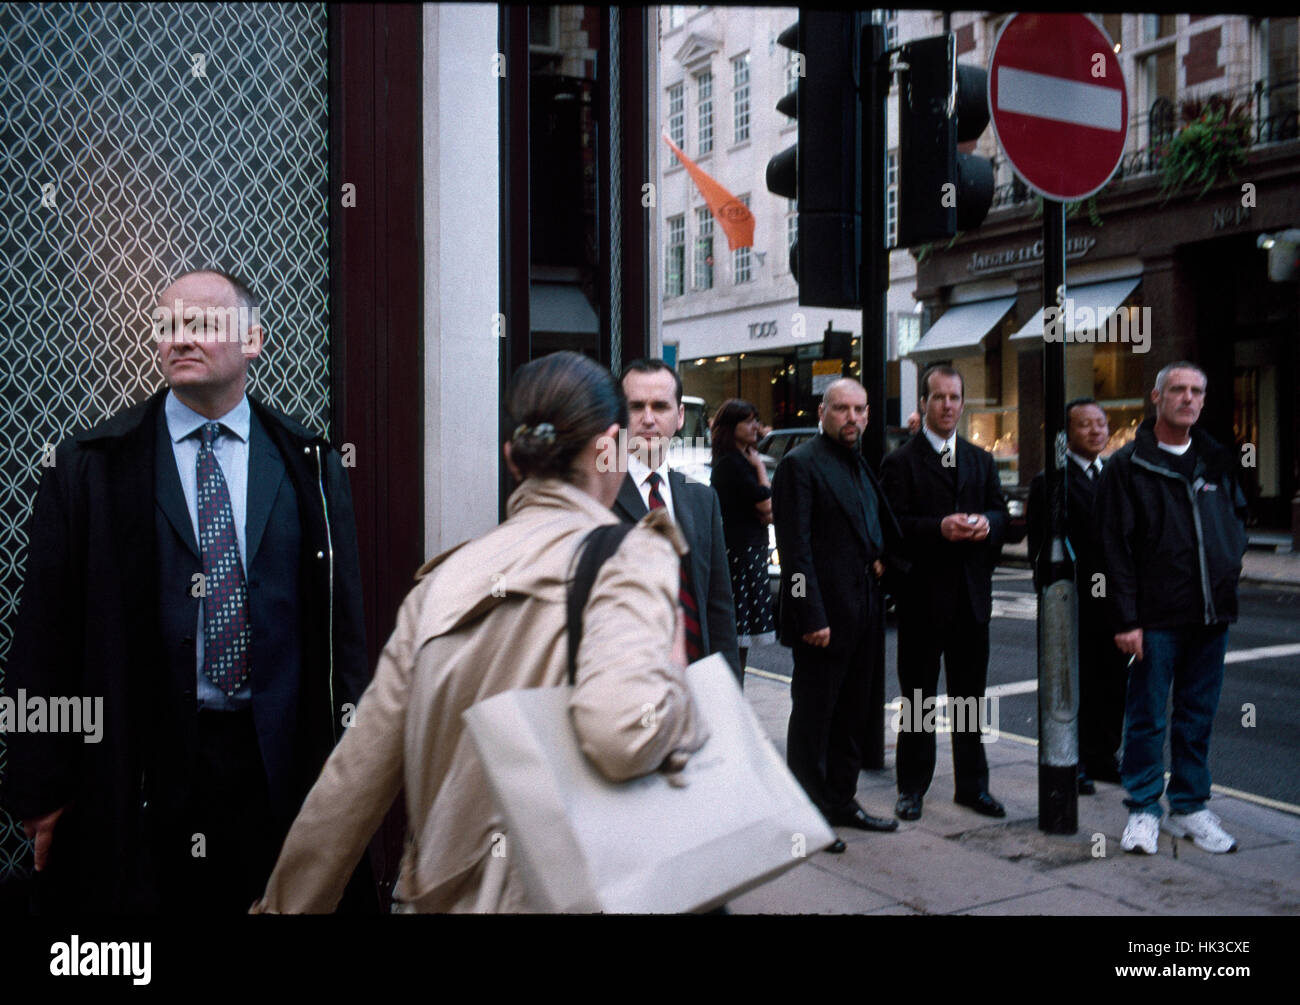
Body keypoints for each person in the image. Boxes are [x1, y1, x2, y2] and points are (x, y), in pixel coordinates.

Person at [252, 351, 708, 913]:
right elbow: (623, 734)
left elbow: (350, 784)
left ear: (512, 459)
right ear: (609, 443)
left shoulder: (442, 582)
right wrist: (681, 694)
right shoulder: (633, 555)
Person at [4, 269, 370, 913]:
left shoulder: (308, 464)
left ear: (252, 339)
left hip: (274, 774)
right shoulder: (92, 466)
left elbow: (344, 638)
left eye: (201, 324)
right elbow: (45, 635)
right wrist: (41, 789)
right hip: (139, 774)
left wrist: (358, 775)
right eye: (168, 326)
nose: (180, 339)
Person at [1094, 362, 1247, 855]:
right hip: (1155, 618)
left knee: (1197, 715)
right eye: (1177, 389)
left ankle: (1189, 806)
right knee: (1146, 716)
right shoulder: (1127, 465)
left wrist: (1229, 564)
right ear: (1156, 398)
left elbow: (1237, 519)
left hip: (1211, 613)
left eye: (1196, 391)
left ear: (1203, 400)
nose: (1188, 398)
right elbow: (1112, 549)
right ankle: (1142, 809)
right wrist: (1126, 620)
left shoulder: (1217, 461)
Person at [772, 379, 901, 851]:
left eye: (860, 409)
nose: (852, 417)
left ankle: (841, 802)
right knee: (814, 719)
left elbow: (871, 524)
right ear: (822, 411)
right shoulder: (798, 464)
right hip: (823, 618)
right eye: (842, 408)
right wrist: (809, 616)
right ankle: (808, 813)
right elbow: (795, 550)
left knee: (852, 714)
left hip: (865, 608)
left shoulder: (859, 462)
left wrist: (884, 560)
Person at [880, 364, 1008, 822]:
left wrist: (986, 524)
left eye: (955, 398)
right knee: (918, 700)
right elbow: (891, 530)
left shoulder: (980, 459)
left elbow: (1001, 515)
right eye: (939, 398)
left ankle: (973, 787)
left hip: (972, 600)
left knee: (970, 698)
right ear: (923, 403)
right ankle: (912, 787)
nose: (948, 405)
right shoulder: (899, 463)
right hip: (922, 601)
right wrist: (940, 528)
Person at [613, 359, 742, 682]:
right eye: (636, 406)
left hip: (699, 685)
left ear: (680, 416)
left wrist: (727, 694)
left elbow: (719, 607)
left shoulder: (702, 498)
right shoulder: (599, 498)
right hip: (630, 691)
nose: (648, 419)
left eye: (660, 406)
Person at [1027, 397, 1127, 794]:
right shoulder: (1051, 480)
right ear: (1067, 434)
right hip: (1074, 603)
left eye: (1101, 424)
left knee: (1112, 682)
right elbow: (1041, 549)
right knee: (1077, 684)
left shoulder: (1115, 474)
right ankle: (1078, 760)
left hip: (1115, 602)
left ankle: (1105, 756)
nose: (1096, 431)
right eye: (1085, 425)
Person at [709, 399, 777, 674]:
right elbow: (765, 506)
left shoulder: (740, 460)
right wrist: (760, 468)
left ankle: (736, 691)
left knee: (742, 635)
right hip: (740, 554)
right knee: (736, 634)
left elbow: (769, 512)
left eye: (756, 420)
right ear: (731, 427)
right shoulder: (731, 464)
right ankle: (732, 694)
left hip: (750, 550)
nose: (756, 427)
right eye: (748, 421)